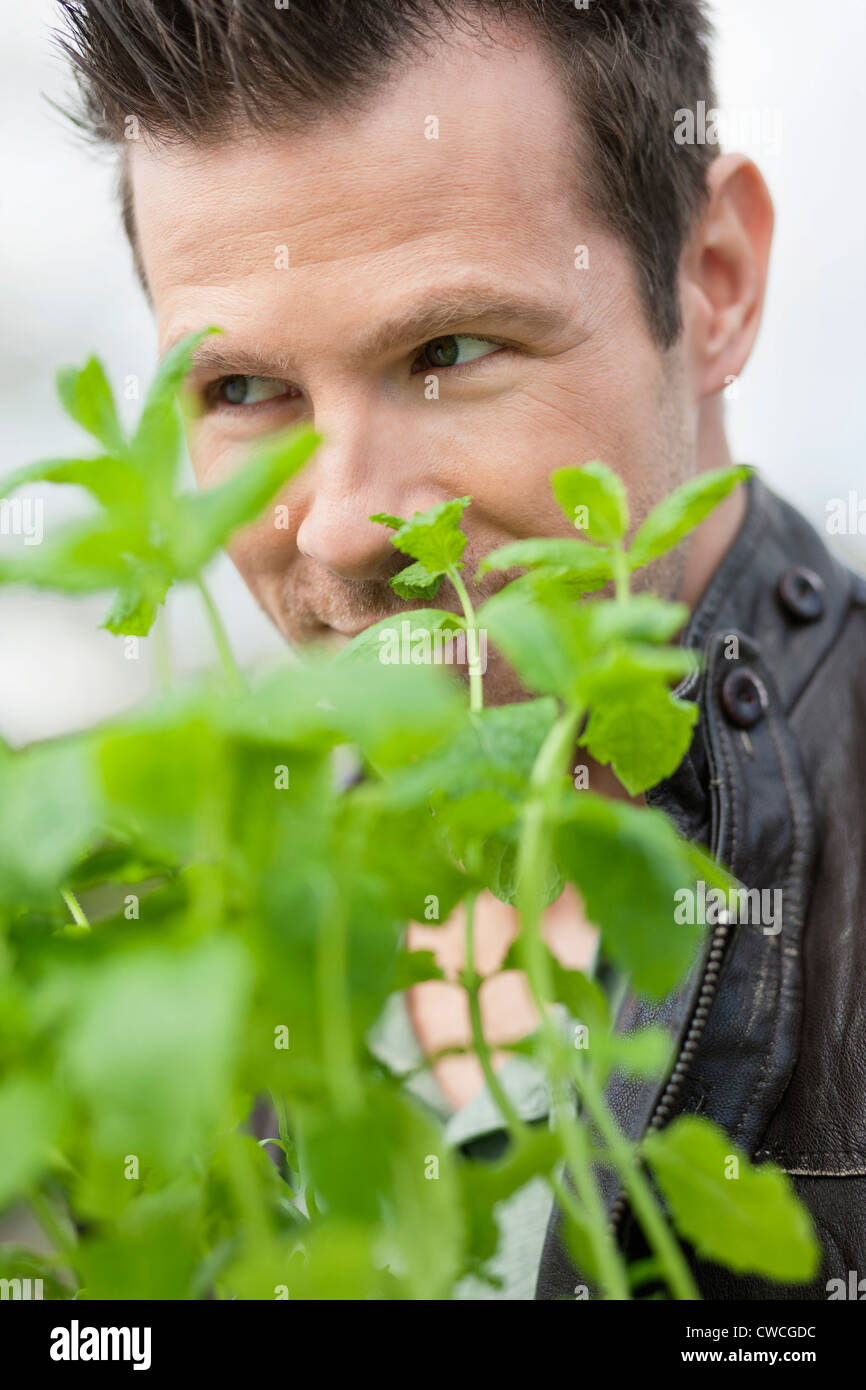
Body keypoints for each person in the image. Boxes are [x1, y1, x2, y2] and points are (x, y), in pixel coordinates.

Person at [56, 0, 866, 1300]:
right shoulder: (171, 943)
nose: (341, 523)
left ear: (711, 280)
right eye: (245, 392)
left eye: (448, 351)